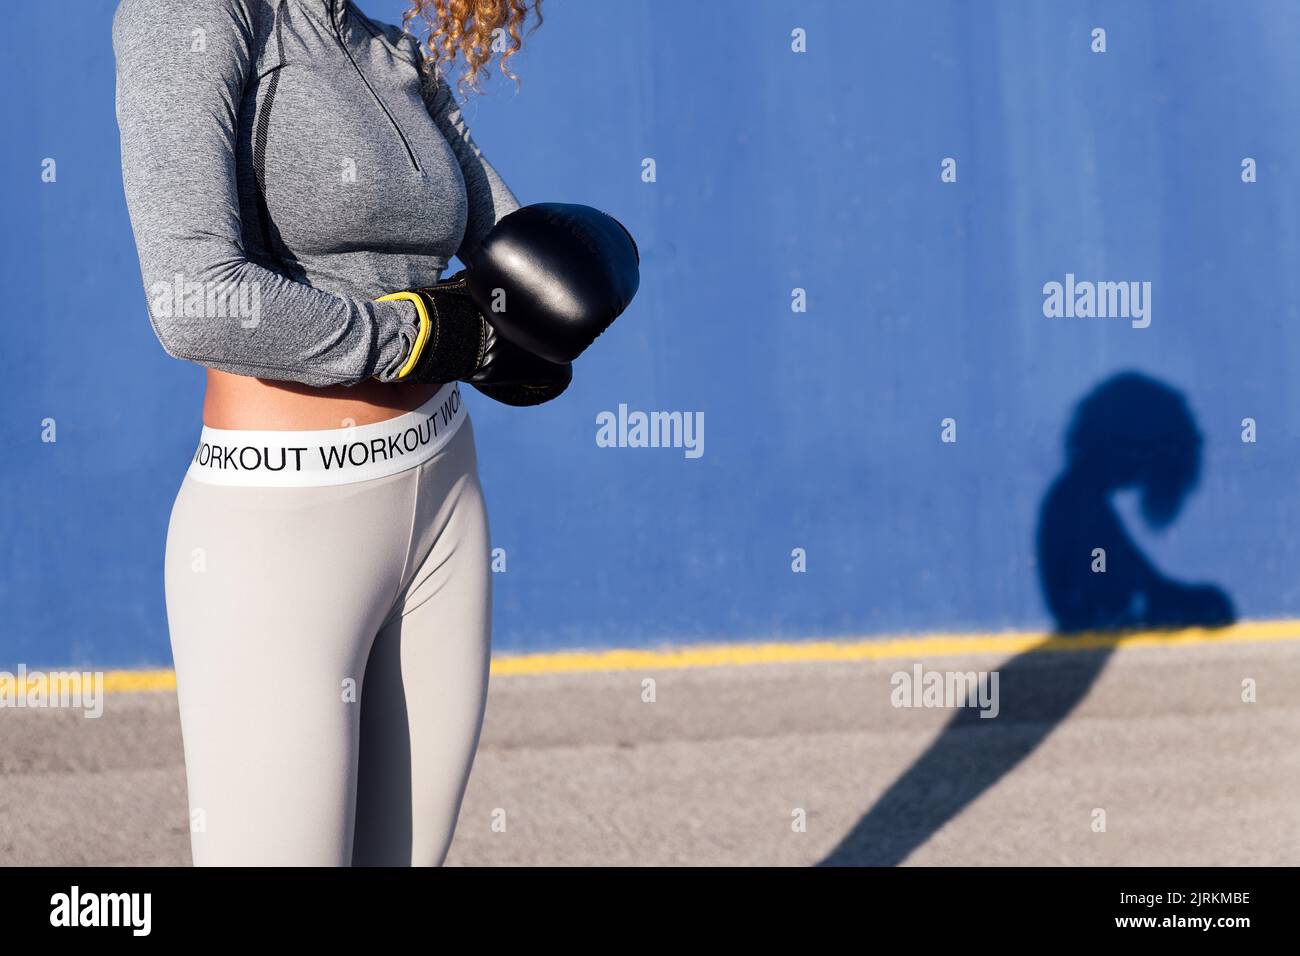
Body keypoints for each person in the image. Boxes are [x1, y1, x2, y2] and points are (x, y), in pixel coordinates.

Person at [113, 0, 635, 866]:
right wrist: (421, 337)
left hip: (441, 498)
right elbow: (193, 300)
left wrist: (542, 313)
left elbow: (507, 253)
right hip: (282, 524)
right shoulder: (190, 14)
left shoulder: (394, 51)